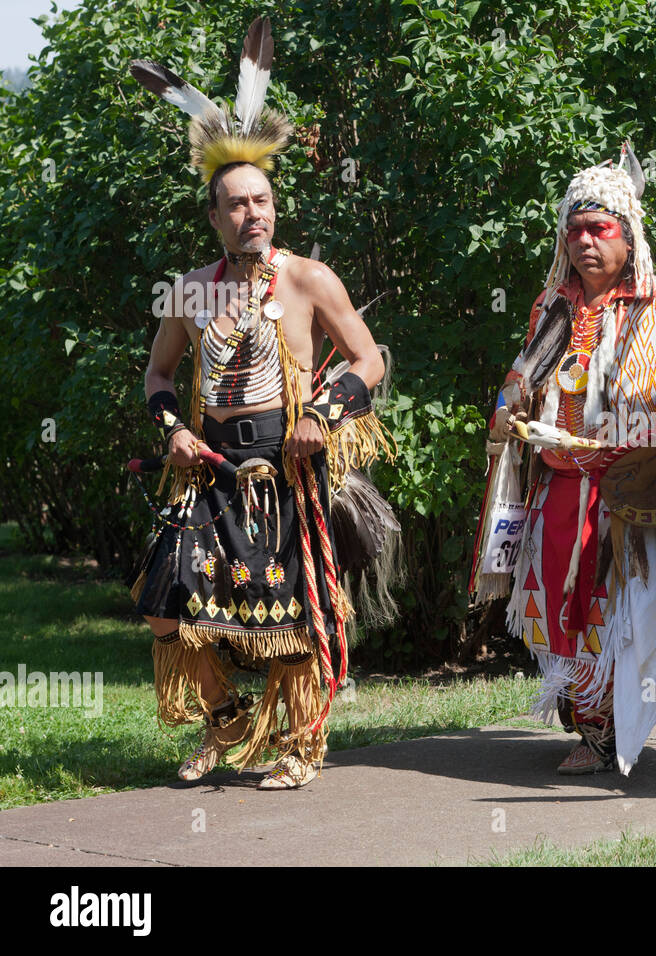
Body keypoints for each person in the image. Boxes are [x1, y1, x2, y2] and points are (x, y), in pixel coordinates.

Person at [129, 19, 393, 789]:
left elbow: (370, 358)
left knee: (296, 622)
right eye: (238, 205)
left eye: (264, 200)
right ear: (213, 215)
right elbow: (157, 378)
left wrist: (323, 416)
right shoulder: (188, 290)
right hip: (207, 467)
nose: (255, 213)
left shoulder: (310, 279)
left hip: (289, 466)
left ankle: (301, 745)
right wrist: (172, 428)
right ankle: (226, 720)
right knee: (165, 606)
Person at [483, 146, 656, 775]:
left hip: (630, 497)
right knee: (558, 607)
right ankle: (588, 723)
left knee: (617, 611)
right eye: (576, 229)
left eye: (600, 228)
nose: (586, 240)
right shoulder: (551, 307)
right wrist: (509, 402)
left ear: (628, 234)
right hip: (557, 489)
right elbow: (522, 373)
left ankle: (606, 727)